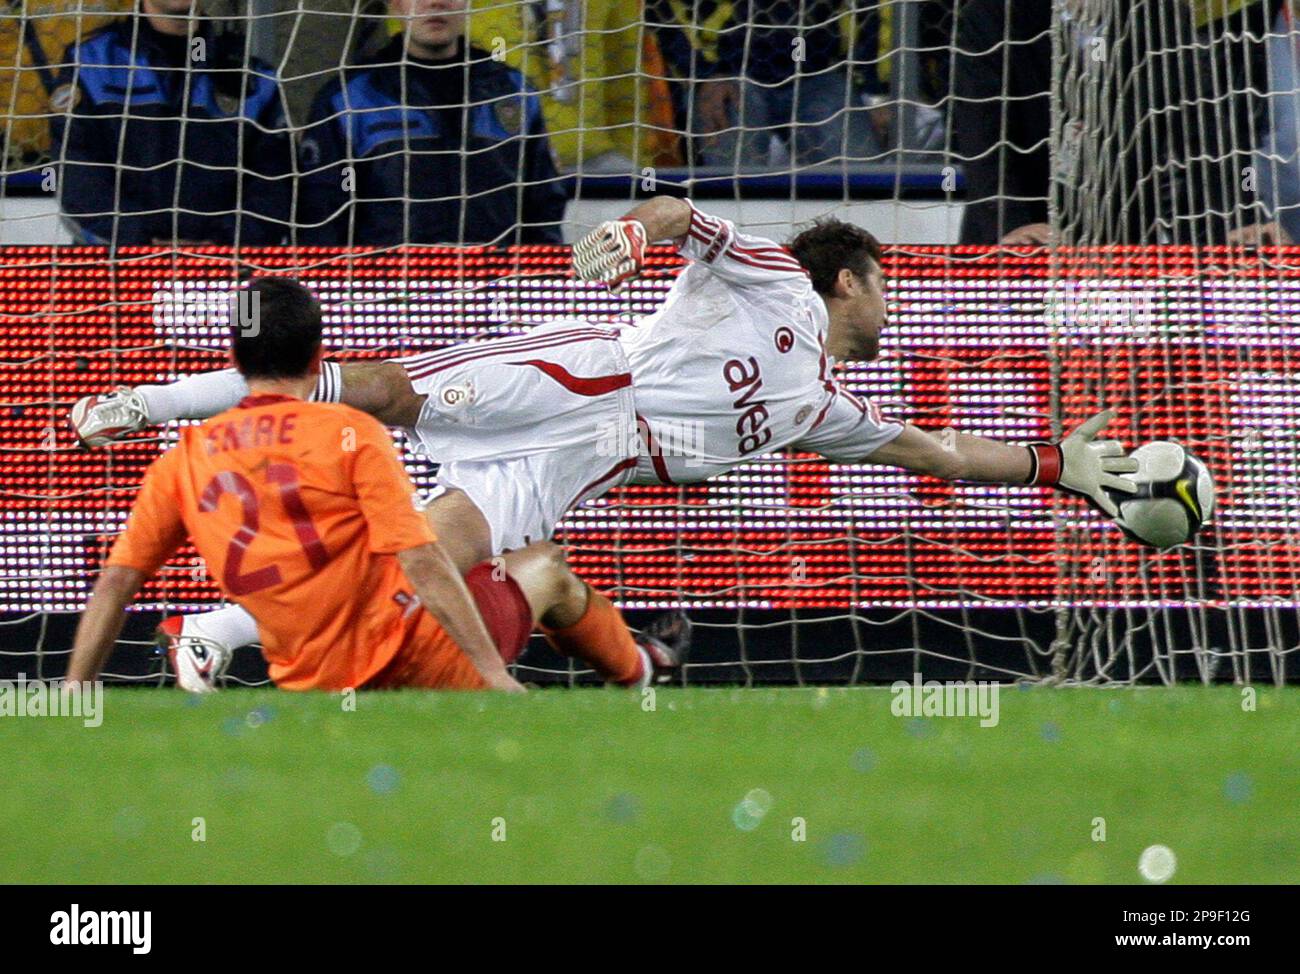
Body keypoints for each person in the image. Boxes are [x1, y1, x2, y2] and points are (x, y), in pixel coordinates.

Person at [70, 196, 1137, 664]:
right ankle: (152, 404)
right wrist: (632, 229)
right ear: (848, 278)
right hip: (578, 372)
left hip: (587, 458)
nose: (889, 307)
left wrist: (1058, 464)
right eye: (883, 287)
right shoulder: (777, 279)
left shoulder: (824, 407)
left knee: (423, 558)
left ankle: (217, 632)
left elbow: (938, 451)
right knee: (385, 393)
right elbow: (681, 215)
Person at [66, 277, 686, 692]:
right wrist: (491, 672)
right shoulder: (347, 435)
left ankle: (219, 629)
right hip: (405, 652)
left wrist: (74, 694)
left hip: (305, 671)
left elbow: (117, 582)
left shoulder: (188, 459)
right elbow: (420, 559)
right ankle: (642, 673)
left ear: (236, 356)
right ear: (319, 359)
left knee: (469, 558)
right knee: (546, 566)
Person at [296, 0, 566, 245]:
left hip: (495, 286)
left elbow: (542, 202)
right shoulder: (349, 99)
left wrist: (544, 280)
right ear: (395, 4)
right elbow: (329, 204)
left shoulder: (513, 93)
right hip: (386, 290)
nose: (436, 3)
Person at [50, 0, 292, 246]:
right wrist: (144, 242)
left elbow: (274, 186)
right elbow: (77, 179)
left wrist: (220, 244)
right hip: (117, 270)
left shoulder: (254, 80)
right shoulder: (91, 62)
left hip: (226, 274)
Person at [952, 0, 1051, 245]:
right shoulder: (994, 15)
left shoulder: (1140, 19)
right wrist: (1011, 222)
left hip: (1120, 240)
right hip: (1020, 233)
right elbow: (980, 131)